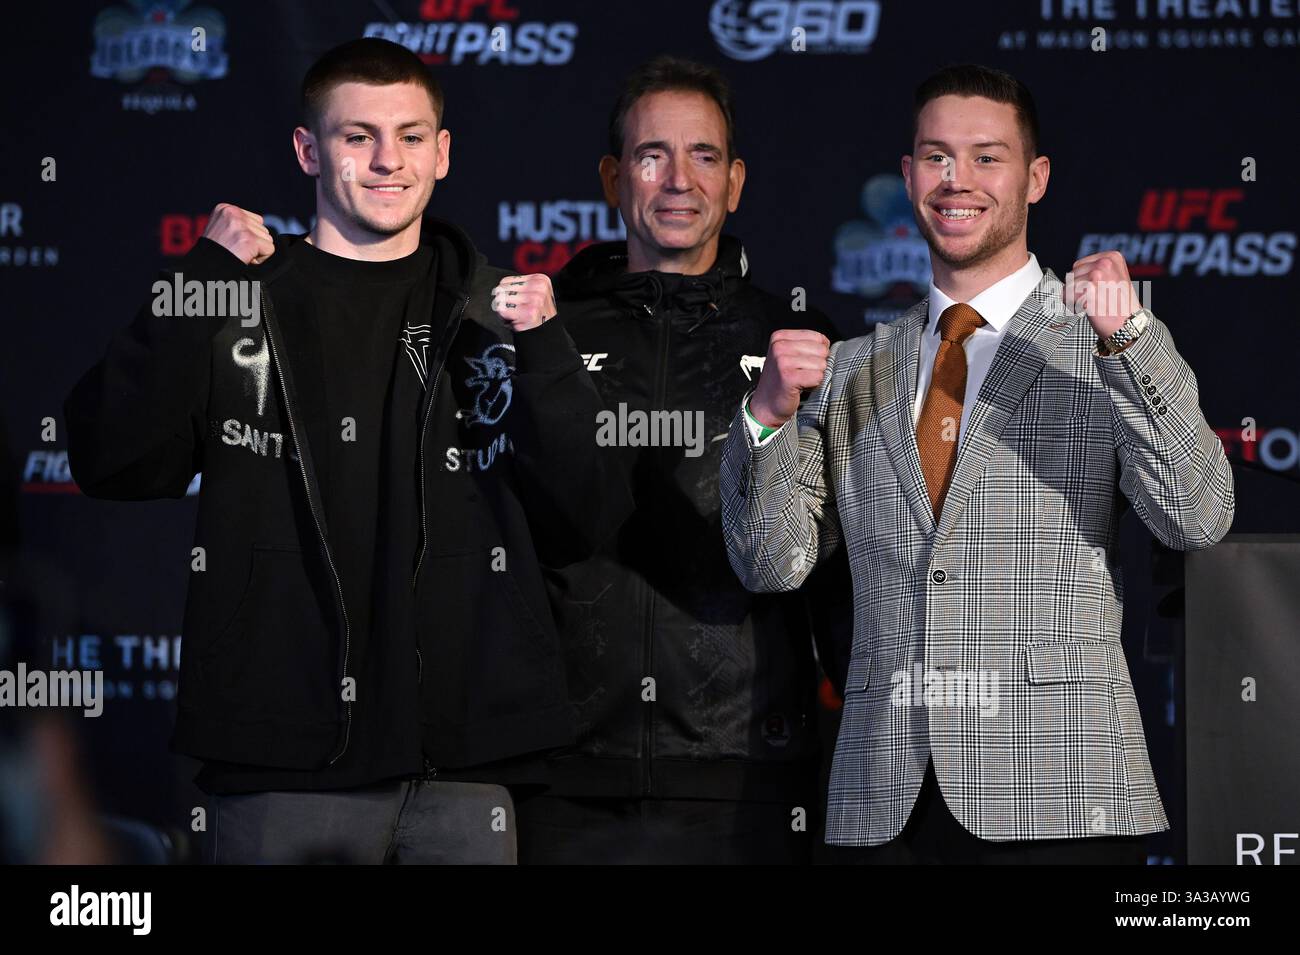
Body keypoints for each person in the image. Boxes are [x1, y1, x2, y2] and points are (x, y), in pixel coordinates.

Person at [64, 37, 629, 864]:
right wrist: (202, 280)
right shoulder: (234, 300)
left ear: (443, 153)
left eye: (408, 136)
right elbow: (107, 456)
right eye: (357, 135)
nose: (386, 160)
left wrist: (546, 355)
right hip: (280, 764)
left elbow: (589, 516)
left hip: (465, 767)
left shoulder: (500, 315)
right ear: (307, 150)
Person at [720, 63, 1234, 864]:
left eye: (987, 157)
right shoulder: (854, 366)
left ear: (1036, 178)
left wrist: (1129, 338)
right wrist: (766, 419)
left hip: (1062, 791)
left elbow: (1197, 514)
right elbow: (771, 563)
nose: (958, 180)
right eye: (936, 157)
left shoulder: (1100, 344)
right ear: (907, 174)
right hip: (882, 795)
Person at [516, 56, 852, 865]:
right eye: (651, 154)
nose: (677, 180)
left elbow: (843, 577)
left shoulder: (802, 345)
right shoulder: (538, 335)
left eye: (703, 155)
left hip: (748, 779)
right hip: (562, 783)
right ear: (611, 176)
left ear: (735, 182)